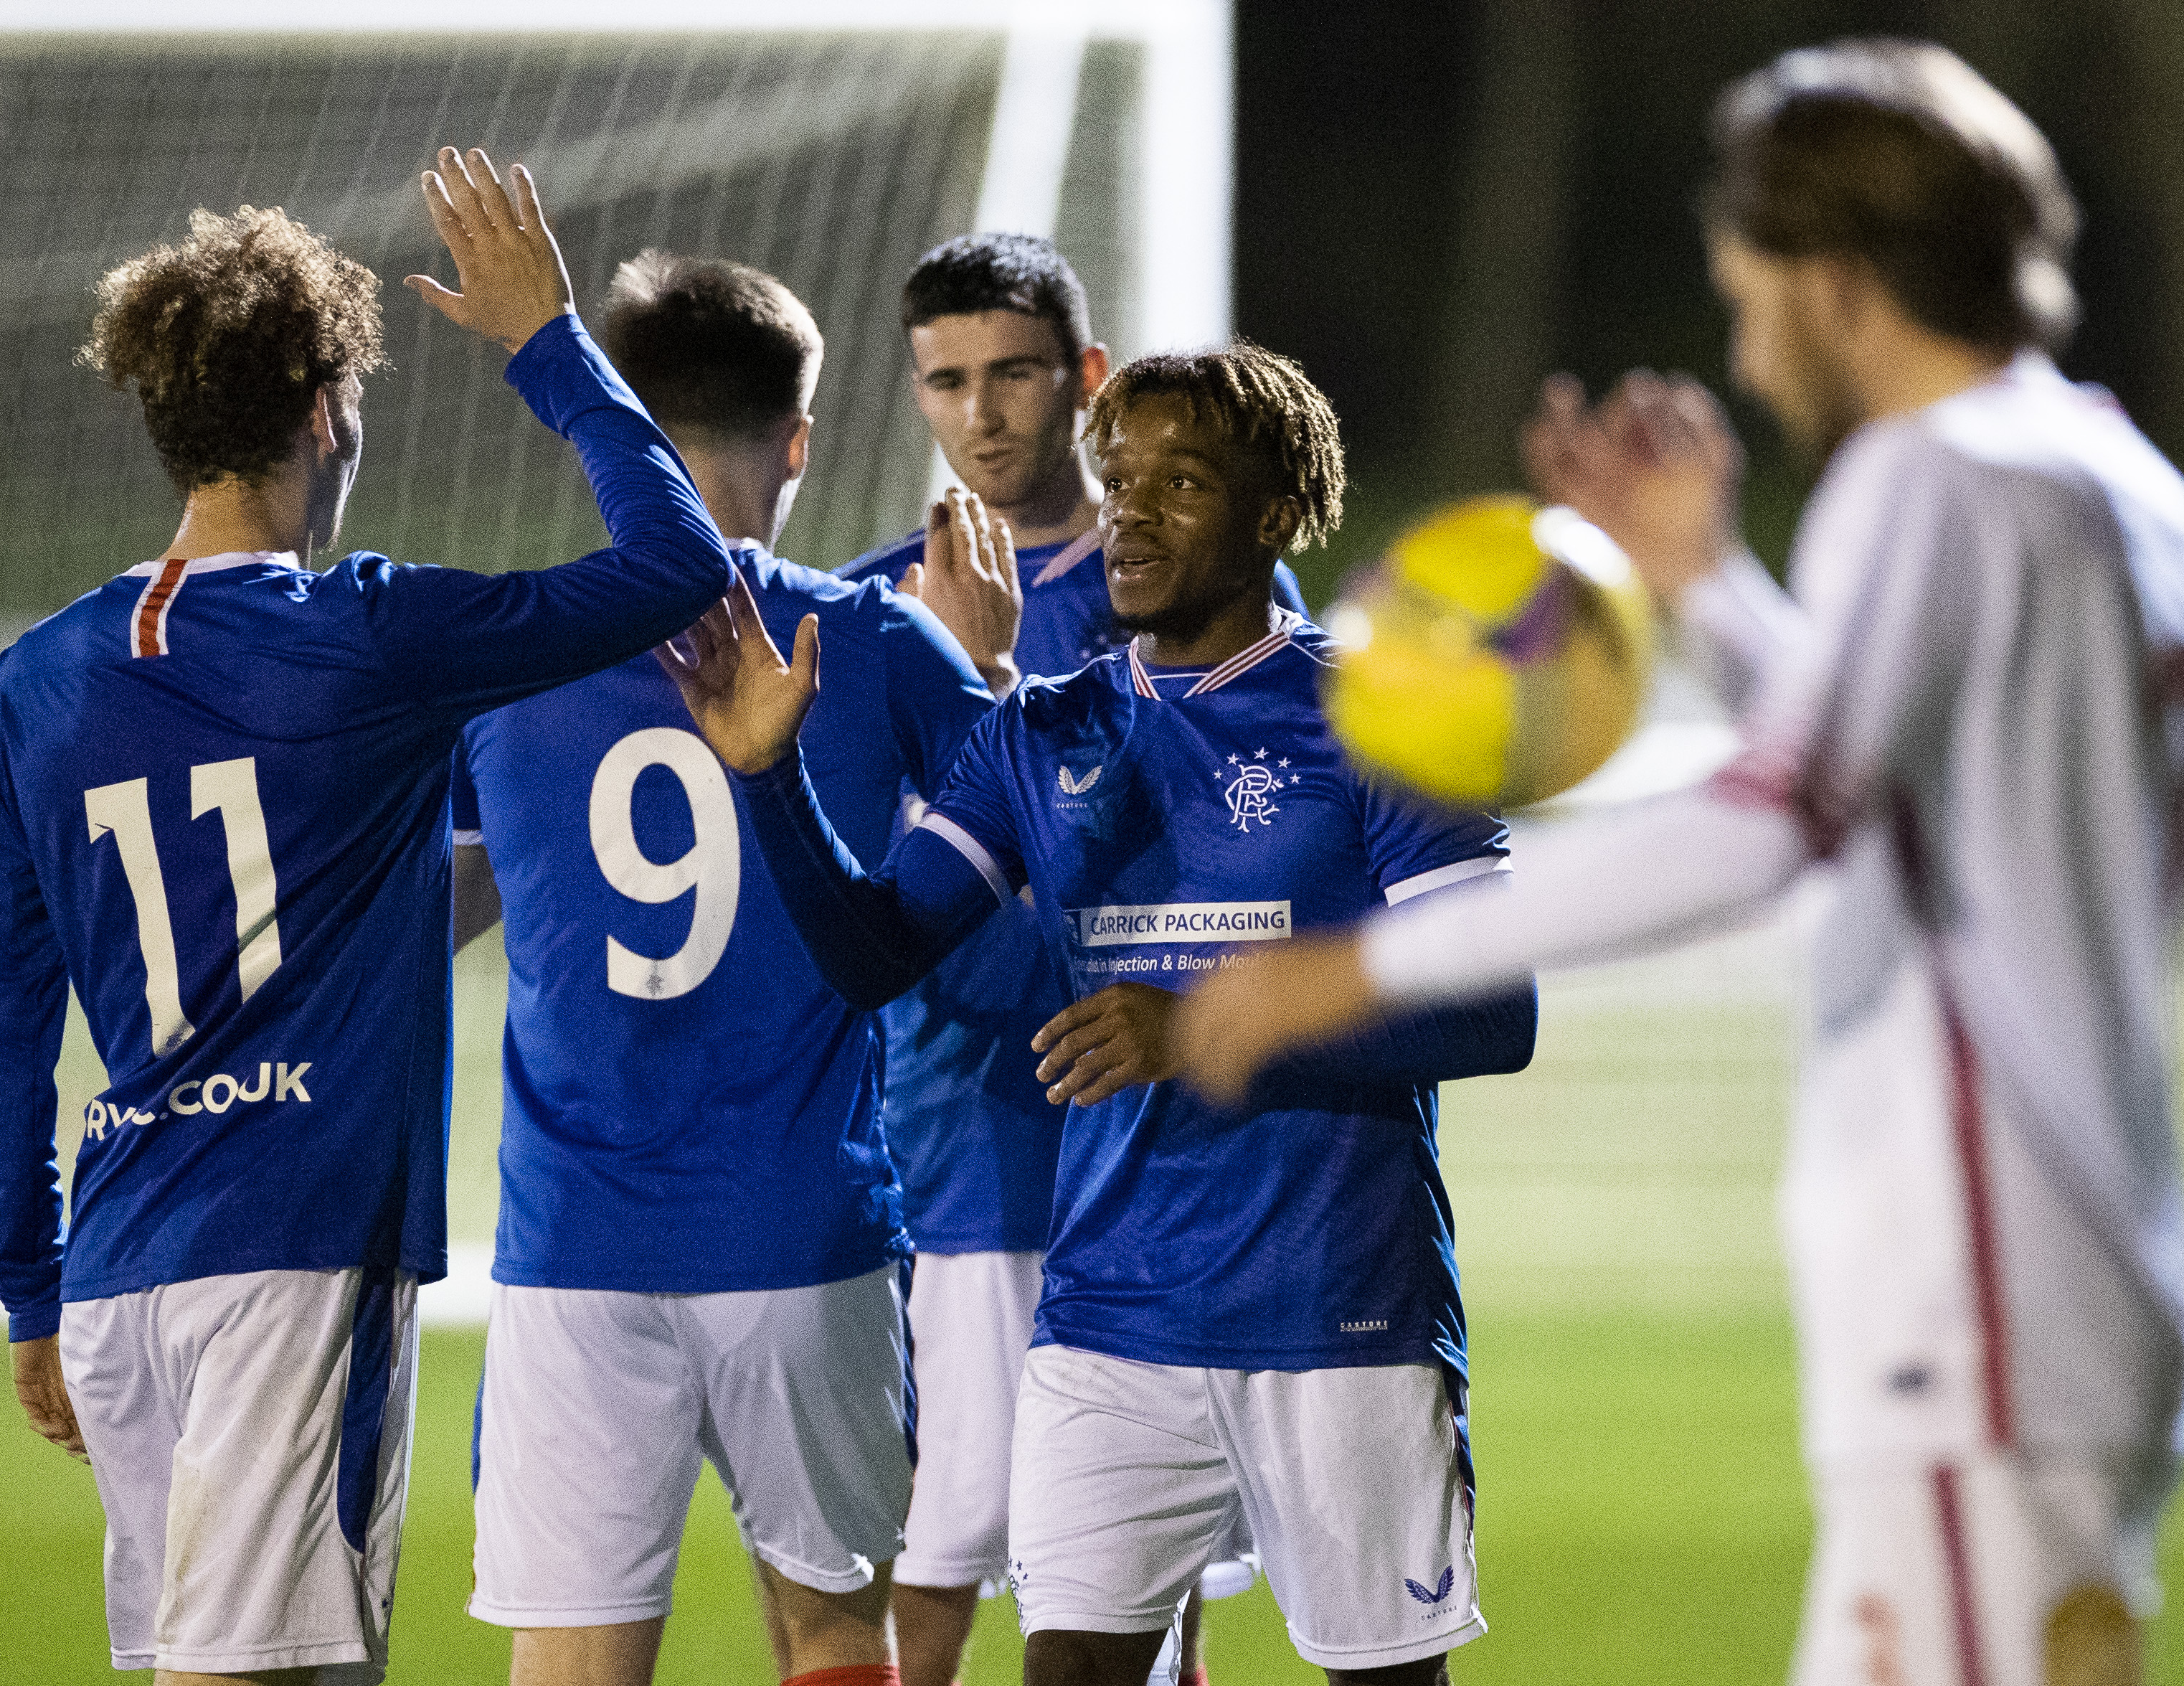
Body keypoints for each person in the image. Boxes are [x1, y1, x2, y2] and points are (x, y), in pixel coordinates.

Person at [1173, 40, 2184, 1686]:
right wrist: (1711, 587)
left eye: (1746, 291)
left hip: (1981, 1299)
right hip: (2065, 1280)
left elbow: (1771, 817)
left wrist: (1352, 963)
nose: (1740, 343)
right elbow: (1900, 782)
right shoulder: (2113, 484)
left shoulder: (1928, 473)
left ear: (1834, 281)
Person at [0, 151, 733, 1685]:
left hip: (122, 1265)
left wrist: (27, 1280)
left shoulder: (43, 676)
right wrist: (546, 344)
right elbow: (676, 561)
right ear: (324, 410)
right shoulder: (364, 633)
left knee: (300, 1665)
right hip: (292, 1248)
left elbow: (0, 1001)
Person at [658, 342, 1537, 1686]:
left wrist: (1198, 1030)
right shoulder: (1039, 732)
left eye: (1180, 482)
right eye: (1120, 477)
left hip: (1335, 1315)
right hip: (1106, 1321)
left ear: (1275, 513)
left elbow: (1494, 1012)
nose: (1129, 510)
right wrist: (769, 782)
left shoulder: (1385, 714)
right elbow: (876, 949)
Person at [447, 251, 1020, 1686]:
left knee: (572, 1651)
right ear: (800, 437)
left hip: (578, 1239)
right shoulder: (881, 640)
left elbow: (428, 913)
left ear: (613, 436)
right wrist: (990, 678)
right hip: (797, 1227)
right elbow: (1040, 843)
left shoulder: (503, 656)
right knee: (834, 1634)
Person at [838, 232, 1297, 1686]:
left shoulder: (1179, 585)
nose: (983, 411)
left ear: (1083, 380)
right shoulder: (867, 604)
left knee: (1144, 1571)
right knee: (937, 1541)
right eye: (947, 380)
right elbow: (875, 893)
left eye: (1015, 372)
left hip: (1156, 1148)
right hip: (961, 1134)